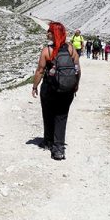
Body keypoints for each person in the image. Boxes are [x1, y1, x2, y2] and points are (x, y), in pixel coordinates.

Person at [31, 21, 81, 160]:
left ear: (54, 34)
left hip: (50, 88)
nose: (47, 33)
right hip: (67, 89)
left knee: (48, 113)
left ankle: (48, 141)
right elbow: (77, 68)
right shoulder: (71, 49)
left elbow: (40, 70)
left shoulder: (47, 51)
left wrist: (35, 86)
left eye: (49, 31)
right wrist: (75, 84)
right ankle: (58, 148)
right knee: (62, 116)